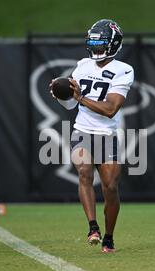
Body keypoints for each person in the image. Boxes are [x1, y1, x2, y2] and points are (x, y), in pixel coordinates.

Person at [50, 19, 134, 253]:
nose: (96, 49)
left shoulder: (124, 70)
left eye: (101, 44)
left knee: (110, 187)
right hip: (82, 131)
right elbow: (69, 106)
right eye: (93, 44)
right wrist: (59, 93)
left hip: (106, 135)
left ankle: (108, 238)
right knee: (84, 172)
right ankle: (92, 227)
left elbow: (110, 110)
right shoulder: (82, 65)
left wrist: (79, 98)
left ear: (114, 44)